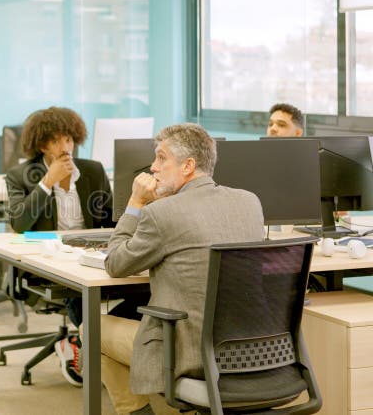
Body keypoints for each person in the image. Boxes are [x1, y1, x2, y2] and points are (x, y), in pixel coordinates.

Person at [100, 123, 265, 415]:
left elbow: (115, 262)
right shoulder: (249, 202)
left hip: (189, 355)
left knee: (91, 329)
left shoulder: (161, 213)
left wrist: (136, 202)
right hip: (251, 350)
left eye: (161, 158)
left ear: (188, 166)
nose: (153, 167)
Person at [5, 106, 116, 387]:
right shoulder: (20, 175)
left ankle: (98, 346)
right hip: (46, 261)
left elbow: (111, 220)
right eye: (56, 141)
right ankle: (85, 343)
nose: (65, 147)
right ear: (42, 145)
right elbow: (19, 223)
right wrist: (47, 182)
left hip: (89, 253)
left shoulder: (92, 170)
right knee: (80, 291)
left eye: (68, 140)